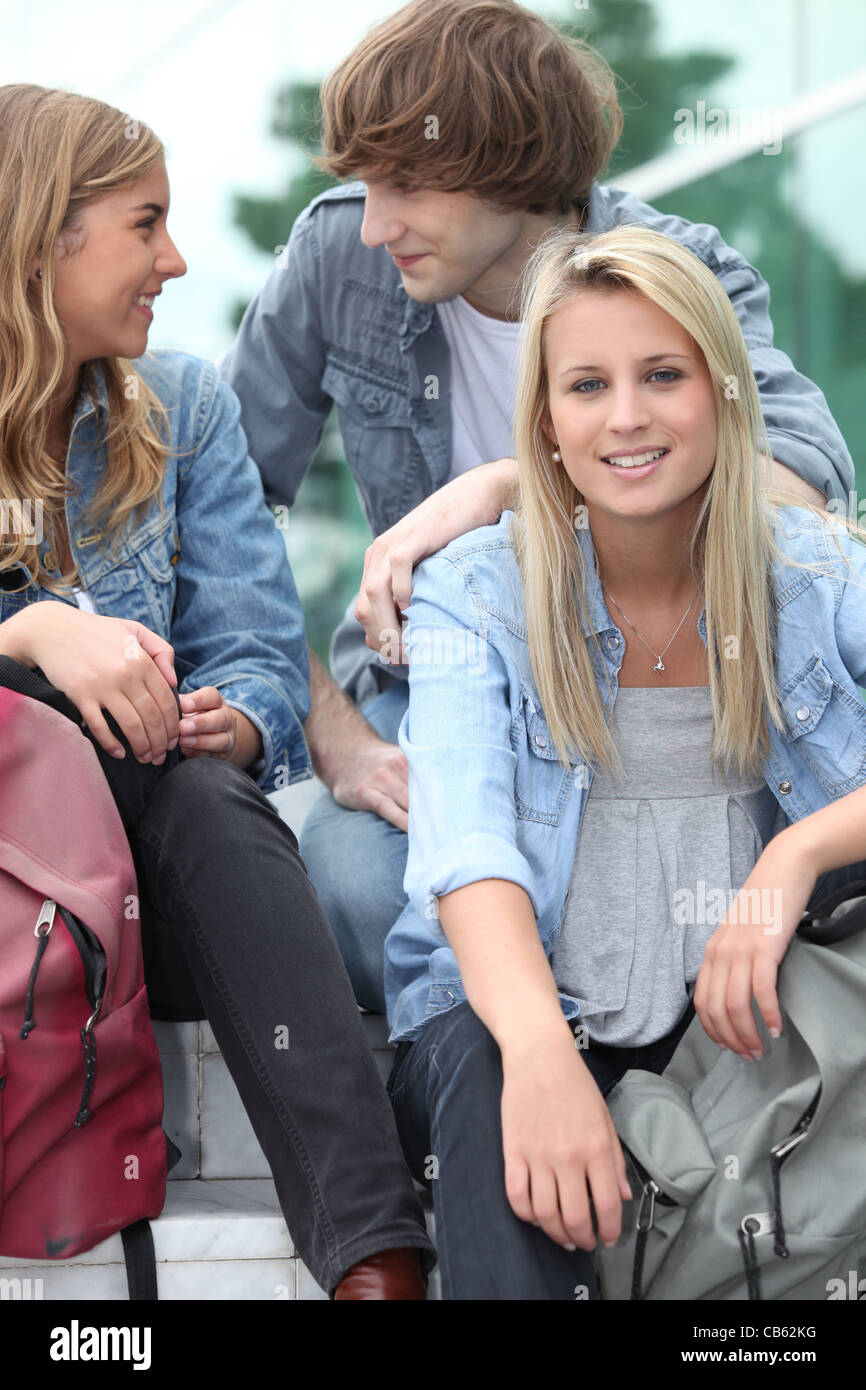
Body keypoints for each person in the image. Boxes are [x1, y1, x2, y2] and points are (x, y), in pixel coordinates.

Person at [219, 0, 855, 1015]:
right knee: (357, 882)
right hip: (440, 676)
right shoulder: (340, 259)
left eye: (407, 183)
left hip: (660, 676)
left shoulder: (669, 264)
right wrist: (330, 732)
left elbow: (806, 483)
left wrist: (515, 482)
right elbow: (223, 510)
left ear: (509, 163)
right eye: (363, 186)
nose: (376, 221)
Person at [0, 83, 435, 1300]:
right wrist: (36, 636)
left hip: (141, 913)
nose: (176, 260)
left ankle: (374, 1263)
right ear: (45, 233)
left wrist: (235, 716)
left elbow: (252, 644)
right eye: (145, 224)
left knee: (201, 789)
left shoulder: (182, 410)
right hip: (12, 909)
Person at [380, 221, 866, 1300]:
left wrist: (794, 857)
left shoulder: (809, 568)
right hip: (510, 1009)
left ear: (724, 392)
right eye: (586, 385)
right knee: (486, 1082)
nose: (627, 417)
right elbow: (467, 847)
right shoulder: (476, 590)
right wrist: (543, 1057)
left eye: (661, 375)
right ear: (545, 422)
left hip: (742, 1017)